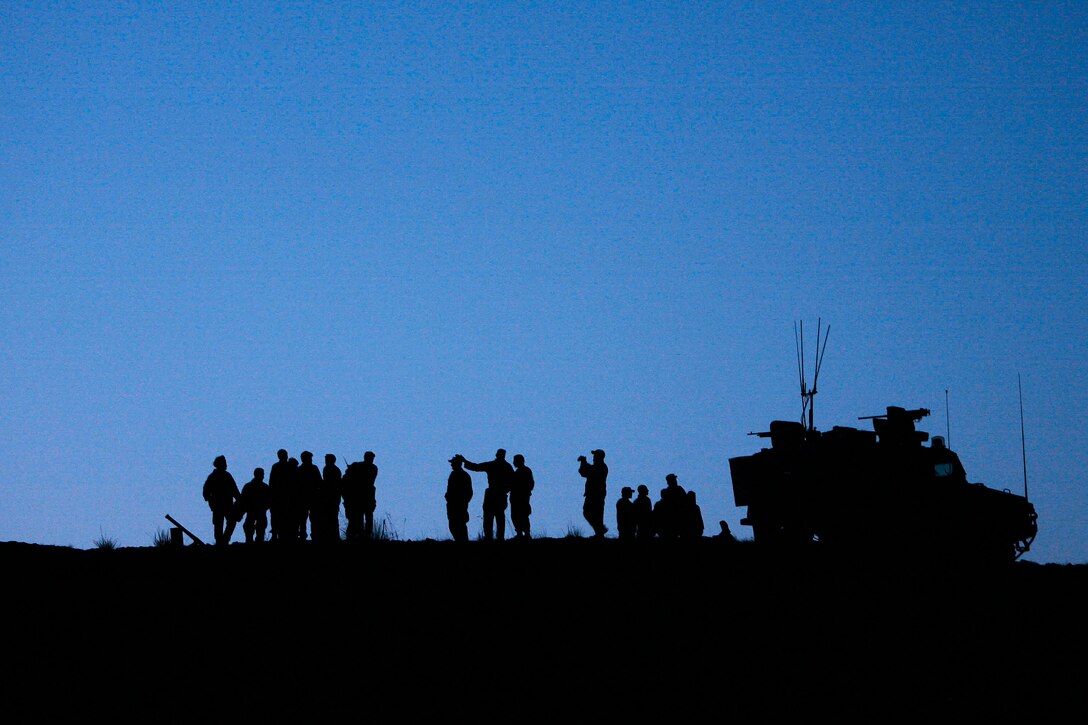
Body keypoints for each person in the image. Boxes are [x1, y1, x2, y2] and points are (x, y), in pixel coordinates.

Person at [460, 449, 514, 541]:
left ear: (497, 455)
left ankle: (491, 537)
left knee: (492, 516)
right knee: (497, 516)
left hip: (494, 494)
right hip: (499, 494)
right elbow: (513, 482)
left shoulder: (494, 465)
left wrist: (465, 461)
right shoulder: (507, 466)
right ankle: (497, 537)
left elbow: (476, 467)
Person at [203, 455, 241, 546]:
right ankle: (221, 541)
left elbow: (234, 490)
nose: (226, 464)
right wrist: (210, 501)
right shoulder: (214, 477)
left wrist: (239, 499)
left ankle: (223, 540)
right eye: (224, 463)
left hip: (226, 504)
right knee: (219, 524)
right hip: (219, 505)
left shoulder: (224, 476)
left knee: (229, 522)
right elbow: (206, 491)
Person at [342, 451, 378, 541]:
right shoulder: (373, 468)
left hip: (361, 496)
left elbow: (349, 474)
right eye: (371, 458)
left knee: (361, 516)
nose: (372, 460)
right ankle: (366, 536)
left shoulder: (358, 466)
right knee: (366, 516)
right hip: (367, 496)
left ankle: (362, 535)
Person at [579, 449, 609, 538]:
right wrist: (583, 463)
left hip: (596, 494)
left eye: (595, 455)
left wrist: (584, 462)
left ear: (599, 456)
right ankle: (599, 531)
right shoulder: (598, 466)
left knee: (592, 512)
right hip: (593, 494)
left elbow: (590, 471)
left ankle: (600, 531)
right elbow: (584, 473)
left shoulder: (601, 467)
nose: (593, 457)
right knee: (592, 512)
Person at [445, 455, 473, 542]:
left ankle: (462, 541)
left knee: (460, 523)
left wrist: (464, 501)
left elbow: (469, 492)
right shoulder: (454, 474)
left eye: (453, 463)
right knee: (453, 523)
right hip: (452, 504)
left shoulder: (464, 475)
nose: (451, 465)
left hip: (460, 504)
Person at [239, 467, 270, 544]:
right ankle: (252, 540)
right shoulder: (263, 487)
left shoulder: (249, 486)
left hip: (257, 510)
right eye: (262, 475)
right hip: (254, 510)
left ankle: (254, 540)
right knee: (251, 525)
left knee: (260, 526)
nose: (262, 476)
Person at [317, 453, 343, 542]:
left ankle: (333, 536)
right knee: (331, 516)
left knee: (331, 516)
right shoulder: (334, 469)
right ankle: (331, 535)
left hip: (331, 497)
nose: (325, 461)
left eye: (327, 459)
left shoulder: (330, 469)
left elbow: (329, 483)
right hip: (332, 496)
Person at [297, 451, 322, 541]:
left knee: (308, 518)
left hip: (308, 498)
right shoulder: (313, 468)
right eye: (310, 458)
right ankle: (312, 534)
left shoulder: (299, 470)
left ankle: (306, 534)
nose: (311, 460)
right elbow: (320, 482)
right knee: (308, 518)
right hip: (309, 497)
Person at [654, 473, 687, 540]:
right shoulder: (673, 491)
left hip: (678, 517)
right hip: (672, 518)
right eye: (674, 479)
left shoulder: (678, 489)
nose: (675, 481)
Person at [268, 449, 291, 541]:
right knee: (277, 517)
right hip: (278, 497)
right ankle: (276, 535)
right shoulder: (276, 467)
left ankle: (283, 535)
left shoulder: (286, 467)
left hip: (286, 497)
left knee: (284, 516)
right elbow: (272, 482)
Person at [510, 454, 535, 539]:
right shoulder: (519, 471)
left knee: (523, 515)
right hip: (517, 497)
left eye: (515, 461)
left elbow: (530, 484)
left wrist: (524, 492)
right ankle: (520, 533)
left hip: (521, 498)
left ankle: (526, 533)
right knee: (516, 515)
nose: (513, 463)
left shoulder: (525, 471)